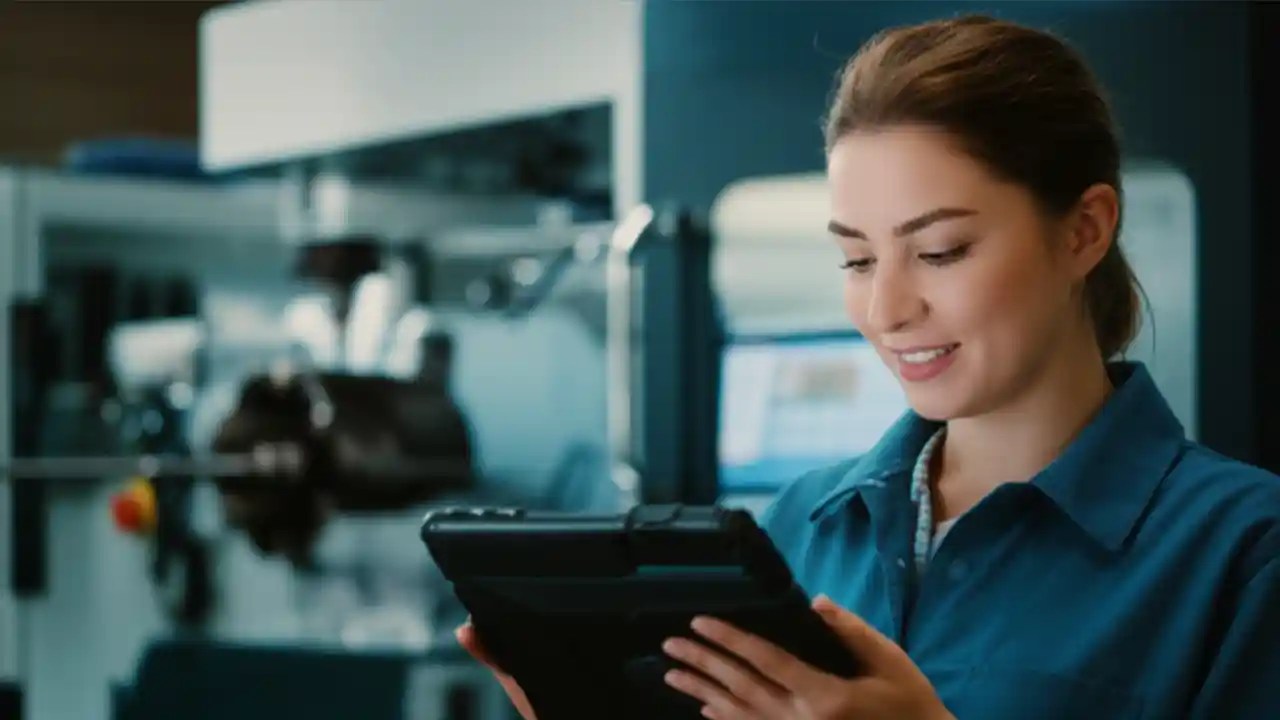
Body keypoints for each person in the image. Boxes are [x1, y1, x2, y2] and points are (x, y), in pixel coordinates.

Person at [458, 15, 1280, 719]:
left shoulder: (1243, 551)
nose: (887, 309)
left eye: (940, 250)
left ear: (1084, 231)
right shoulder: (798, 526)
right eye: (856, 261)